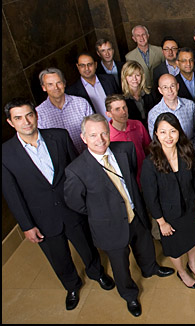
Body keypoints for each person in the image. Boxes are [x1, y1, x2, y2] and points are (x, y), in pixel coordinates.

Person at [2, 98, 115, 311]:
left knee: (86, 245)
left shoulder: (59, 136)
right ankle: (72, 286)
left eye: (29, 115)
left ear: (35, 115)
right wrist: (27, 225)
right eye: (18, 118)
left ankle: (97, 273)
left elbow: (77, 170)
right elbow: (12, 195)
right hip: (41, 217)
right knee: (58, 256)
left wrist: (86, 204)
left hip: (71, 208)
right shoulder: (6, 154)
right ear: (11, 122)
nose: (25, 121)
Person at [64, 114, 175, 317]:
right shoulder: (76, 170)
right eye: (93, 135)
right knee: (120, 265)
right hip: (109, 226)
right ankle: (129, 294)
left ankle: (150, 269)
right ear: (83, 137)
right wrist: (101, 212)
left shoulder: (125, 150)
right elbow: (75, 202)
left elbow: (132, 178)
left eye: (104, 133)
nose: (100, 139)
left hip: (136, 214)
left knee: (145, 246)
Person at [141, 112, 195, 289]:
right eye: (163, 132)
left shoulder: (186, 152)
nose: (168, 137)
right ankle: (182, 272)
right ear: (156, 134)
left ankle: (192, 265)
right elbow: (150, 197)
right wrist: (161, 222)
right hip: (169, 215)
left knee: (192, 239)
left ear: (179, 132)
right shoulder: (150, 163)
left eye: (172, 131)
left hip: (191, 207)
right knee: (175, 248)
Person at [36, 67, 93, 153]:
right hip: (64, 163)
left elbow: (94, 130)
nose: (56, 88)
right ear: (44, 87)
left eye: (58, 83)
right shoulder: (39, 113)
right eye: (50, 84)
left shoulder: (81, 103)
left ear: (64, 83)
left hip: (88, 154)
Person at [105, 94, 151, 188]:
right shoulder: (107, 136)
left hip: (147, 177)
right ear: (109, 114)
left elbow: (148, 148)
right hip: (126, 184)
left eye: (124, 107)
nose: (123, 112)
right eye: (117, 109)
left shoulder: (137, 125)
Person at [148, 74, 195, 149]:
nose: (169, 90)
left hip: (191, 153)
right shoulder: (154, 113)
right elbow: (155, 141)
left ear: (178, 86)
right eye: (165, 87)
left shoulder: (190, 106)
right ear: (160, 90)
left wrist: (192, 151)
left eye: (172, 86)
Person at [65, 52, 120, 117]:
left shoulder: (109, 79)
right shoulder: (72, 92)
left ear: (95, 65)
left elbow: (119, 101)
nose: (87, 68)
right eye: (82, 65)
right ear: (77, 67)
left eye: (90, 64)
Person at [125, 25, 164, 92]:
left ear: (148, 36)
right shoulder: (129, 57)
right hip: (142, 91)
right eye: (138, 35)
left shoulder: (160, 51)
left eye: (143, 34)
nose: (141, 38)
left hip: (161, 89)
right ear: (134, 38)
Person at [121, 60, 156, 129]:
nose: (134, 79)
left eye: (137, 75)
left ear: (142, 76)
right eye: (130, 76)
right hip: (135, 131)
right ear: (125, 78)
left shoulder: (150, 93)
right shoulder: (122, 99)